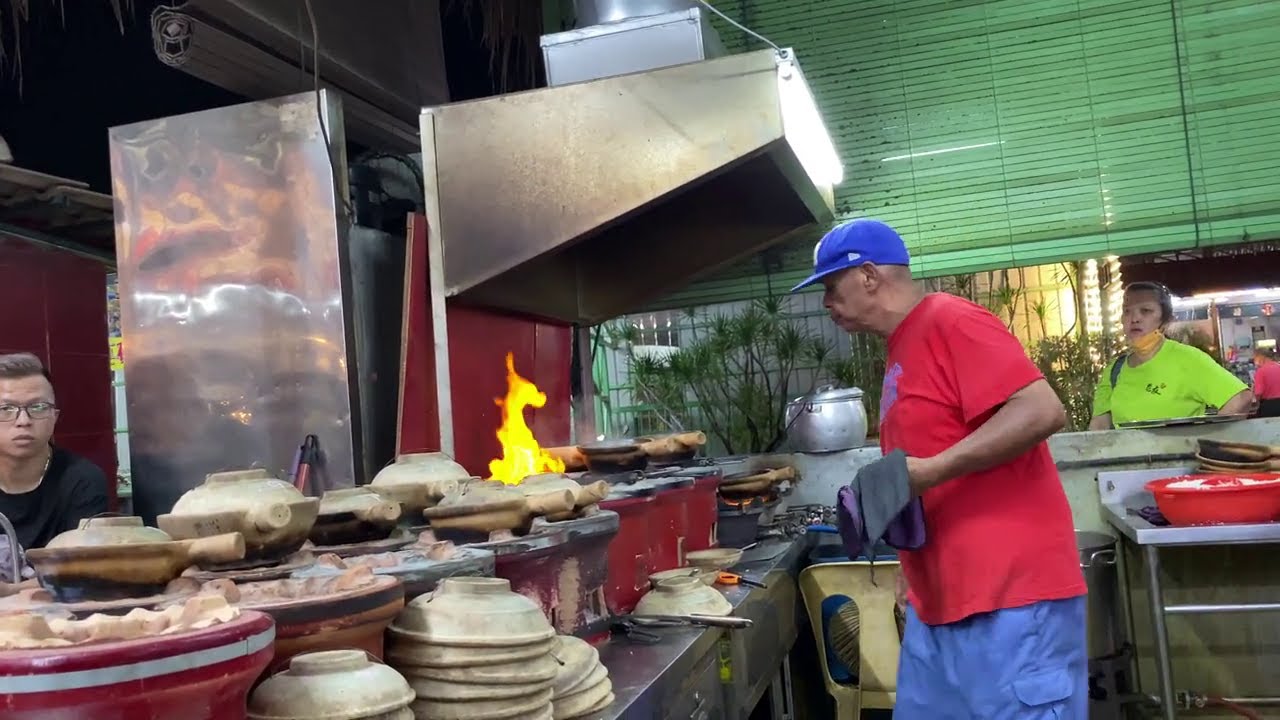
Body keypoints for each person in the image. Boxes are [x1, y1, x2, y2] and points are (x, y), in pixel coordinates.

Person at [793, 219, 1087, 719]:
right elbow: (923, 461)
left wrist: (931, 471)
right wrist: (913, 574)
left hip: (1010, 600)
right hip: (941, 604)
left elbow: (1041, 410)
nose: (826, 302)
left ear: (867, 275)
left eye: (830, 286)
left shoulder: (952, 320)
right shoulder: (902, 347)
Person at [1089, 282, 1252, 430]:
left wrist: (1208, 440)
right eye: (1127, 311)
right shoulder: (1114, 370)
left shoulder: (1188, 359)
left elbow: (1240, 399)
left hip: (1180, 460)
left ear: (1165, 321)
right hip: (1128, 460)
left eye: (1145, 311)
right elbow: (1099, 424)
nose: (1134, 319)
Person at [0, 353, 109, 562]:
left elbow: (84, 566)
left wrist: (12, 590)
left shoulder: (82, 481)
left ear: (54, 418)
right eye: (6, 409)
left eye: (38, 407)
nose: (23, 421)